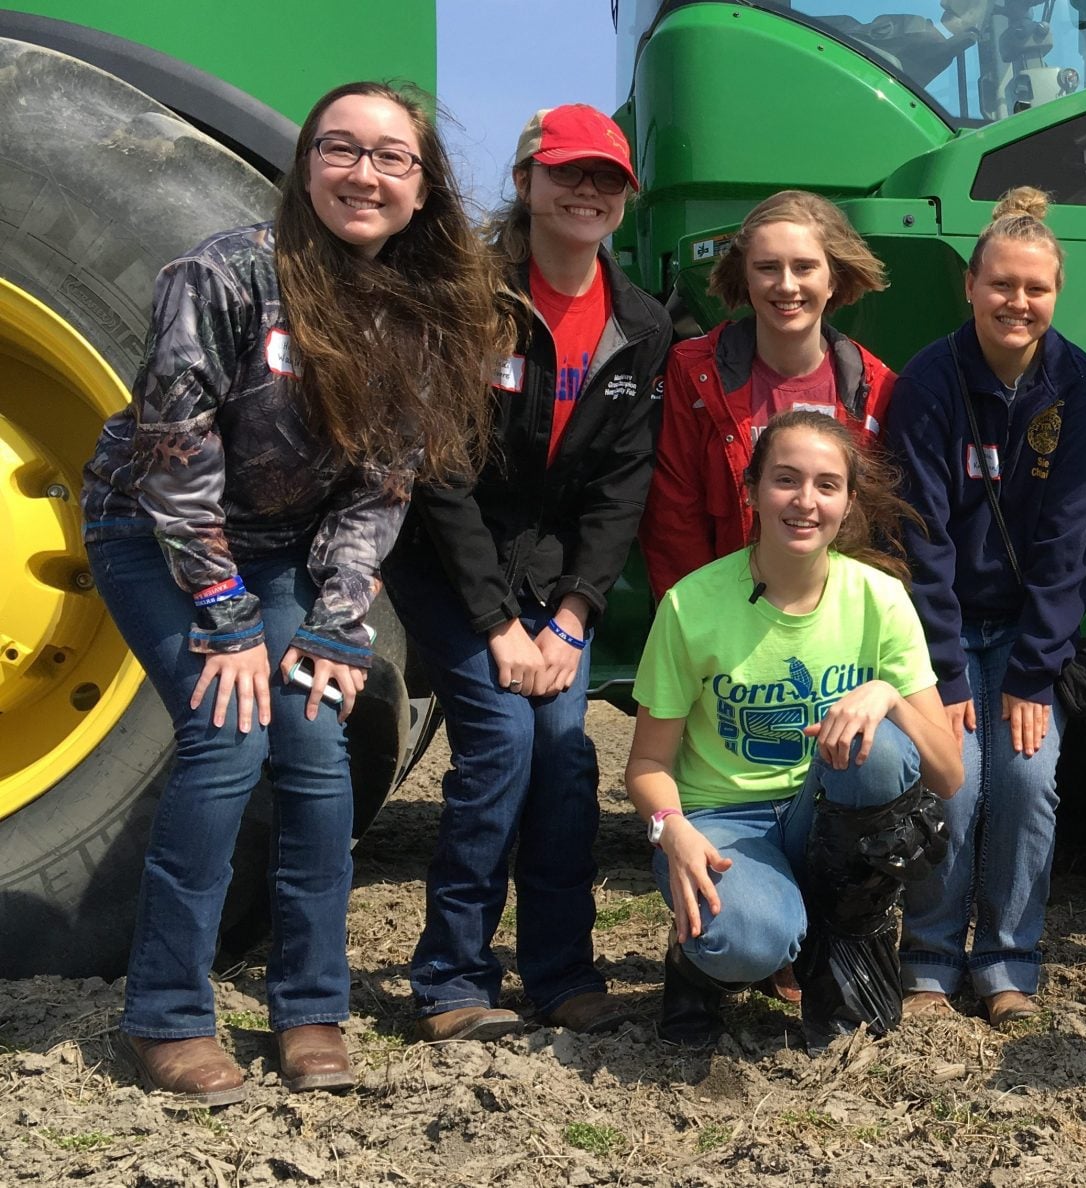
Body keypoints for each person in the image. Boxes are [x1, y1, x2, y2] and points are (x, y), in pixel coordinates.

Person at [80, 81, 501, 1103]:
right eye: (341, 150)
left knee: (318, 746)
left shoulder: (422, 314)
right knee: (225, 741)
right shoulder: (223, 273)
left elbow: (380, 486)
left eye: (391, 158)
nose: (365, 173)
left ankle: (311, 1008)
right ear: (306, 165)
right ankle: (168, 1014)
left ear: (421, 186)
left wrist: (336, 623)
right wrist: (226, 622)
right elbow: (178, 459)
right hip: (157, 534)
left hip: (288, 550)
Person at [381, 105, 673, 1043]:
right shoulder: (469, 298)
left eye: (606, 179)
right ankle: (452, 979)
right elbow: (444, 473)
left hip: (554, 580)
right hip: (449, 558)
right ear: (526, 183)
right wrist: (501, 625)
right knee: (504, 743)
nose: (586, 192)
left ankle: (561, 974)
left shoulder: (641, 324)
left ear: (626, 199)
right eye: (567, 174)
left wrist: (577, 613)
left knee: (565, 754)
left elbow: (621, 488)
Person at [623, 411, 965, 1049]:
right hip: (725, 821)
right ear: (751, 490)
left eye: (826, 485)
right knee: (749, 940)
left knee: (885, 749)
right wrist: (673, 833)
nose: (805, 501)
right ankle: (702, 957)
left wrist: (888, 695)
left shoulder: (880, 599)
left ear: (848, 502)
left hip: (824, 815)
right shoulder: (690, 605)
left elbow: (948, 772)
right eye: (786, 480)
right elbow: (645, 766)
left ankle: (839, 942)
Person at [885, 188, 1086, 1026]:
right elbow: (922, 539)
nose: (1018, 303)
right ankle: (931, 957)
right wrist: (944, 673)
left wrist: (1034, 671)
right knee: (953, 787)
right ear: (971, 286)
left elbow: (1071, 541)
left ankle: (1009, 957)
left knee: (1028, 780)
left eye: (1036, 289)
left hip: (1025, 633)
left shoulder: (1076, 385)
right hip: (940, 631)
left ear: (1056, 294)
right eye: (1002, 285)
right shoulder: (929, 384)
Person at [641, 190, 895, 599]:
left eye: (805, 267)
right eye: (767, 268)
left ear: (833, 279)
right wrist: (700, 620)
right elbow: (673, 519)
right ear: (745, 276)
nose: (787, 285)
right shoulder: (693, 373)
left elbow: (879, 528)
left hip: (833, 622)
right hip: (722, 616)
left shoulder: (875, 386)